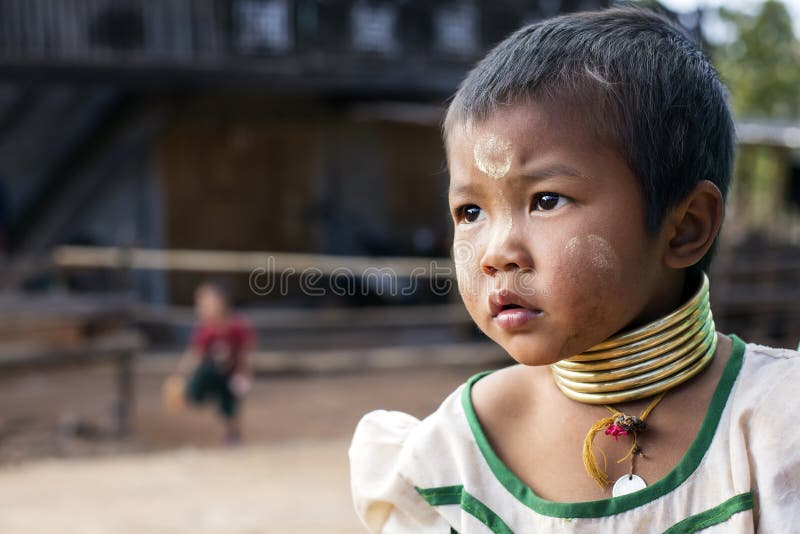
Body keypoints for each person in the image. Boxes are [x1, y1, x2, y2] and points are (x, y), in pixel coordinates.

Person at [349, 7, 800, 533]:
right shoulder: (449, 455)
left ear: (685, 228)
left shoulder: (776, 424)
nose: (496, 252)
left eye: (546, 200)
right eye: (470, 212)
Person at [174, 281, 256, 445]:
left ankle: (232, 434)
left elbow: (246, 353)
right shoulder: (205, 330)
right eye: (200, 305)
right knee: (202, 375)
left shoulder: (236, 326)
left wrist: (246, 375)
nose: (201, 309)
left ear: (222, 303)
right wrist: (179, 375)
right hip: (211, 373)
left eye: (206, 304)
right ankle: (192, 398)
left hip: (231, 374)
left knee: (230, 401)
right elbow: (195, 354)